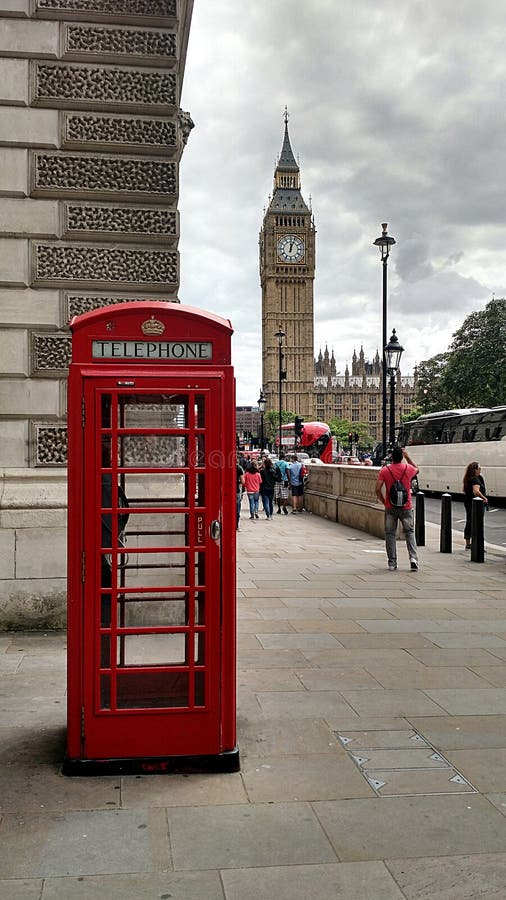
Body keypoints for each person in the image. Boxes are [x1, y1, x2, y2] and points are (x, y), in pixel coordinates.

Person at [375, 445, 419, 571]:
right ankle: (413, 558)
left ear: (392, 457)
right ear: (401, 457)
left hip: (390, 507)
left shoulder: (385, 470)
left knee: (390, 534)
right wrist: (408, 457)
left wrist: (385, 502)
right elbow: (417, 469)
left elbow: (377, 489)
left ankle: (392, 563)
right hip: (406, 506)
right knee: (410, 532)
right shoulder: (408, 468)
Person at [463, 461, 488, 549]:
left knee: (469, 521)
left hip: (468, 502)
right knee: (477, 523)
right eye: (479, 468)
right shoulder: (475, 479)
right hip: (476, 504)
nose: (480, 470)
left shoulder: (468, 478)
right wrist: (484, 498)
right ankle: (477, 544)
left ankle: (468, 542)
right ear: (475, 470)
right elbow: (476, 491)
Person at [236, 456, 245, 531]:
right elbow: (243, 481)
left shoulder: (224, 466)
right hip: (236, 491)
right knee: (237, 509)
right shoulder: (239, 468)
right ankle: (236, 525)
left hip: (224, 491)